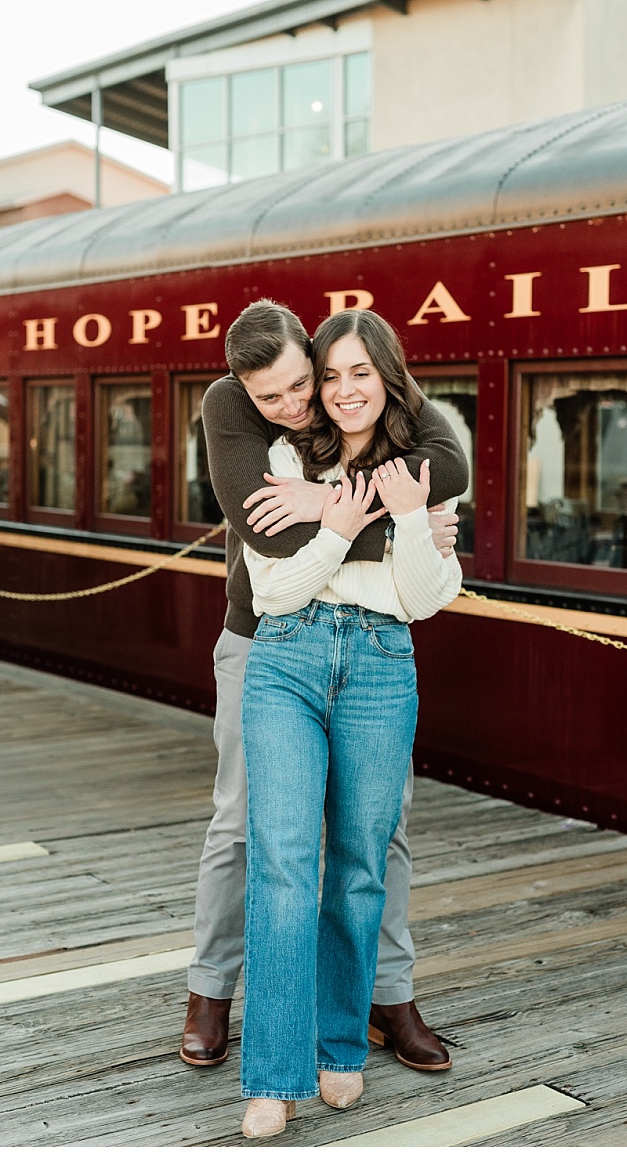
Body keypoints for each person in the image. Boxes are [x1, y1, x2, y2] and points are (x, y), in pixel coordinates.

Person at [182, 300, 466, 1075]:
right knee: (244, 821)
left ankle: (386, 993)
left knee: (379, 829)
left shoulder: (357, 388)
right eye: (272, 394)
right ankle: (211, 988)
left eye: (301, 384)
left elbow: (451, 469)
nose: (294, 402)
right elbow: (267, 531)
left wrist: (346, 508)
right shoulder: (232, 407)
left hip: (370, 645)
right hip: (262, 638)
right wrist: (391, 521)